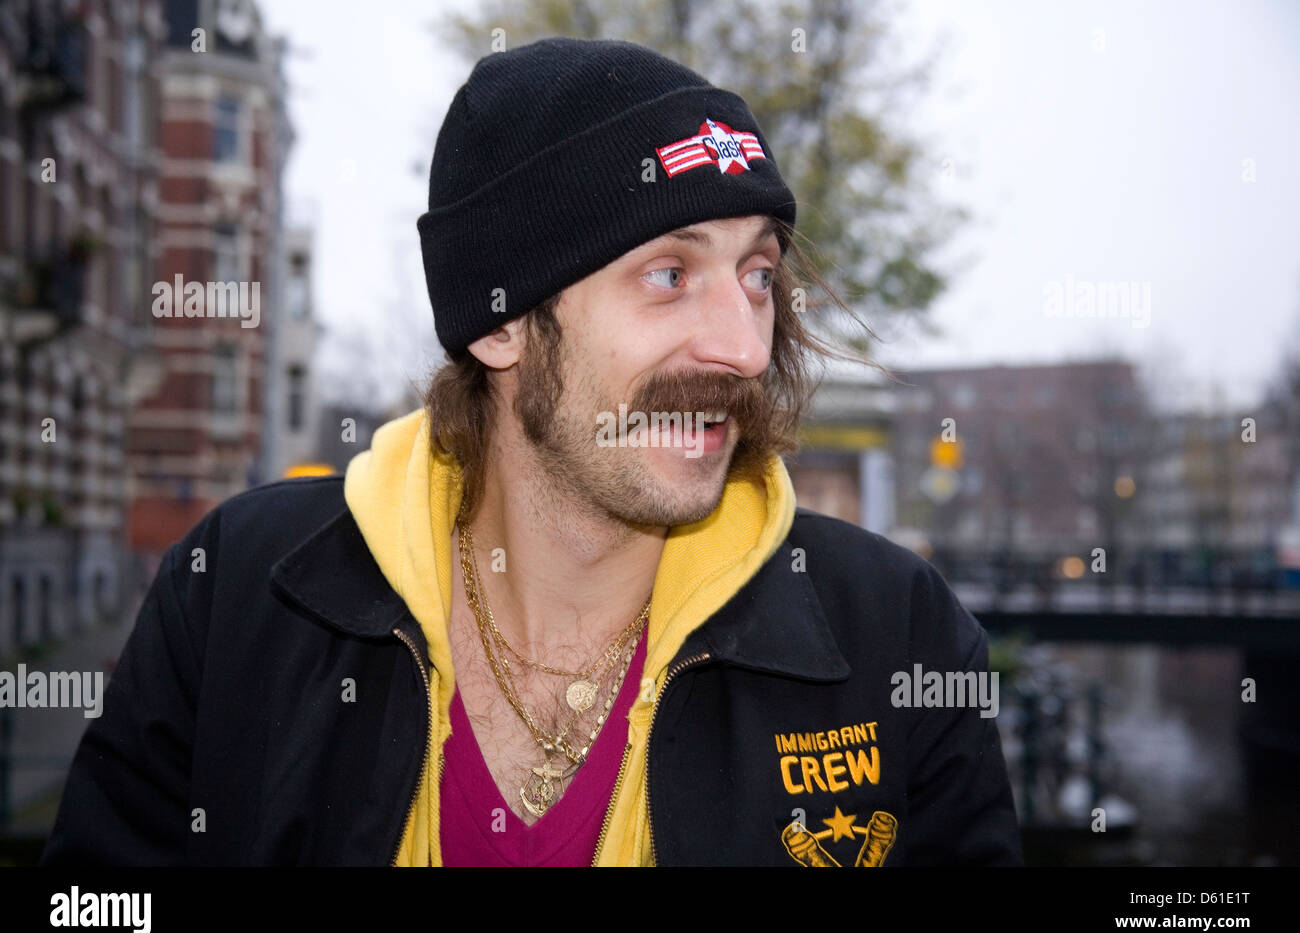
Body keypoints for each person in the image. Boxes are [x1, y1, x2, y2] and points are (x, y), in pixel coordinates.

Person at [42, 36, 1021, 866]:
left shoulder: (898, 638)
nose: (744, 344)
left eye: (757, 272)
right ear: (501, 323)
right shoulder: (240, 598)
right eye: (670, 272)